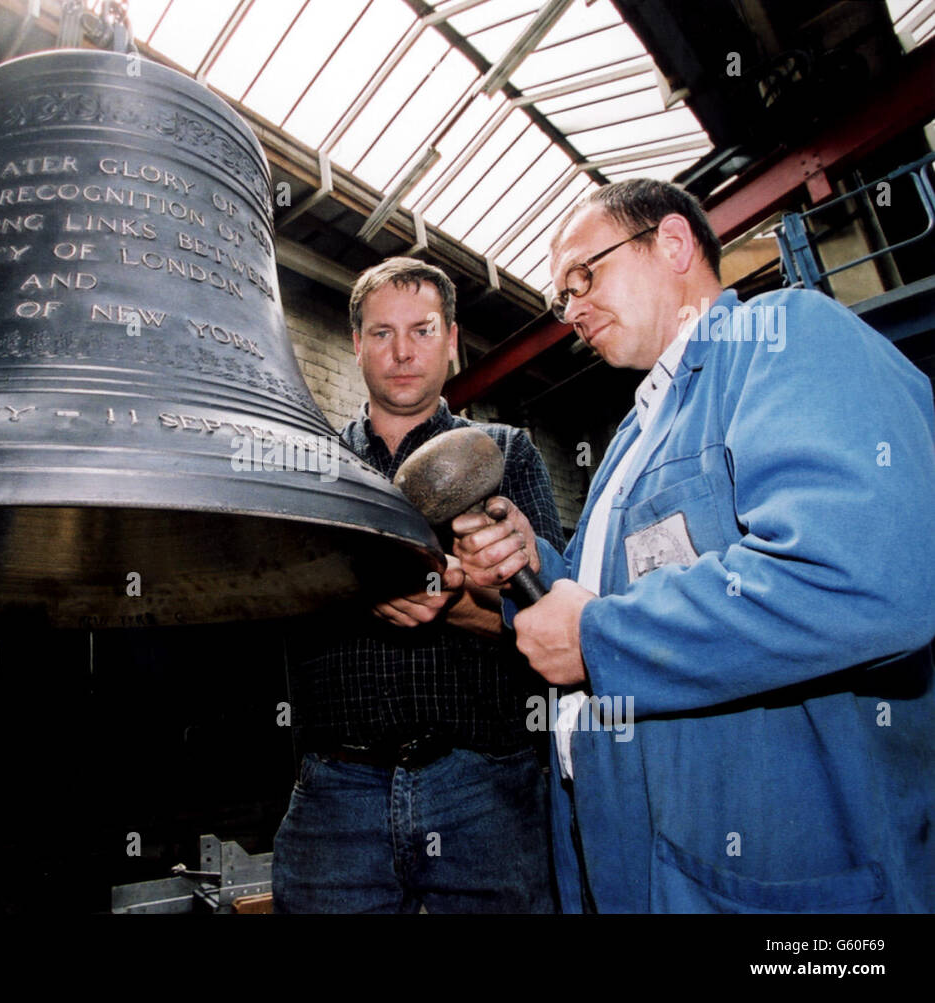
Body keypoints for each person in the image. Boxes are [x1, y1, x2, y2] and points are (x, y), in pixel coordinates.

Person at [453, 179, 935, 913]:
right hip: (637, 865)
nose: (572, 308)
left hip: (776, 884)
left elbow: (865, 579)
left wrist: (599, 638)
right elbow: (613, 591)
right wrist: (531, 562)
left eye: (586, 275)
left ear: (674, 243)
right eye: (561, 296)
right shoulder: (633, 437)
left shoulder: (787, 336)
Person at [271, 257, 565, 913]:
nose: (402, 352)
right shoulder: (316, 467)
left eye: (423, 330)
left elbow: (557, 622)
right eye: (381, 333)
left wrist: (457, 601)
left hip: (486, 786)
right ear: (355, 344)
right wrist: (356, 587)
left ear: (453, 340)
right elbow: (273, 599)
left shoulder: (507, 452)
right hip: (335, 790)